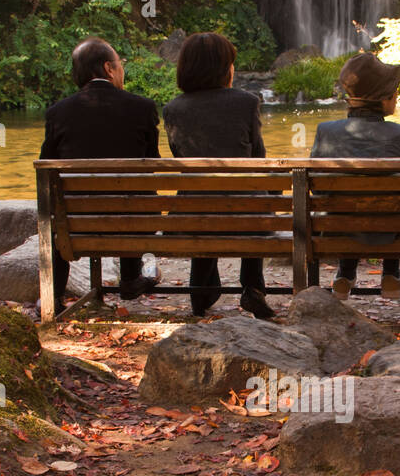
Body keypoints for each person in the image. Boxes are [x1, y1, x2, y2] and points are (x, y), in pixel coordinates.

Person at [40, 37, 161, 307]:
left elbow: (46, 166)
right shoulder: (142, 108)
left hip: (75, 223)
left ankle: (54, 297)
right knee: (134, 194)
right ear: (108, 68)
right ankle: (130, 279)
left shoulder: (57, 112)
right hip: (134, 221)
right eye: (120, 65)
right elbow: (152, 163)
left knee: (57, 213)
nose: (122, 70)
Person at [162, 32, 273, 319]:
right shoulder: (246, 102)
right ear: (224, 68)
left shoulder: (173, 109)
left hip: (194, 215)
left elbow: (181, 159)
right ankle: (252, 287)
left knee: (200, 193)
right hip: (248, 217)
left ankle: (200, 290)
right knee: (254, 193)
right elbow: (258, 159)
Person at [311, 53, 400, 299]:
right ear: (384, 99)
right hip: (393, 229)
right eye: (395, 92)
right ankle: (391, 274)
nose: (397, 96)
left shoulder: (326, 131)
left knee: (344, 205)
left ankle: (344, 274)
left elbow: (318, 190)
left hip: (337, 227)